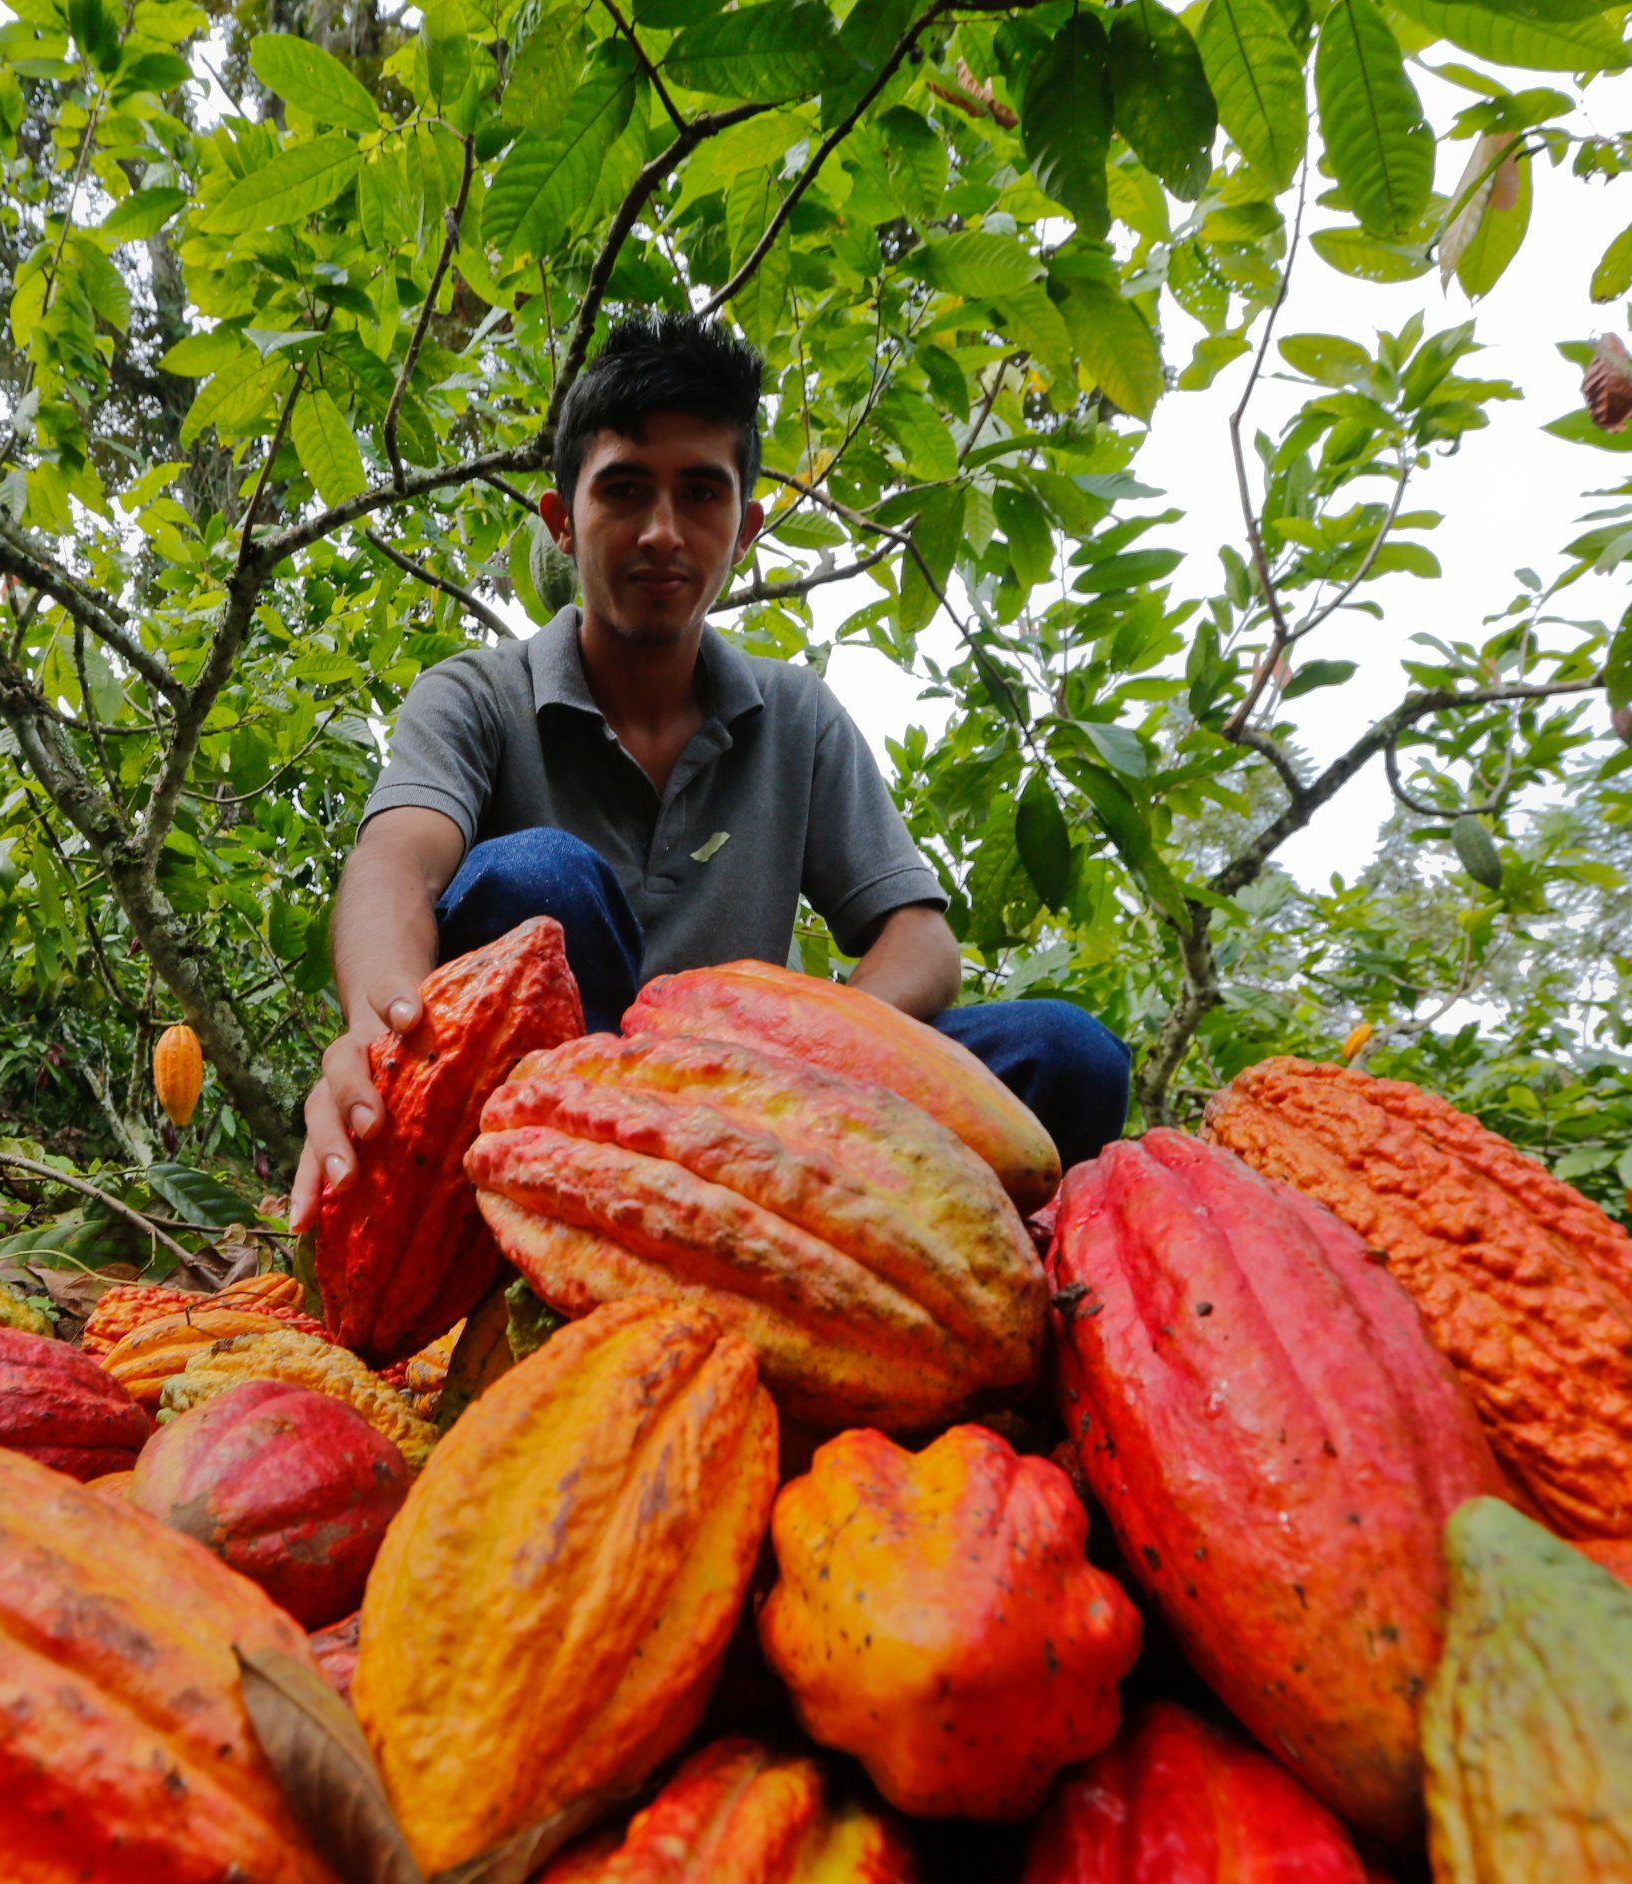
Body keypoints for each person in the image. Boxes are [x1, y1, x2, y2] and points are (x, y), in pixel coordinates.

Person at [288, 311, 1130, 1228]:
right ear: (563, 522)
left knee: (1067, 1055)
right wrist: (378, 1030)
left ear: (746, 528)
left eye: (700, 493)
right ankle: (551, 1236)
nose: (661, 531)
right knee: (538, 881)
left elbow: (919, 940)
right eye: (623, 492)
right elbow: (397, 861)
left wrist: (796, 1057)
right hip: (540, 1126)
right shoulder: (479, 695)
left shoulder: (797, 714)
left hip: (752, 1117)